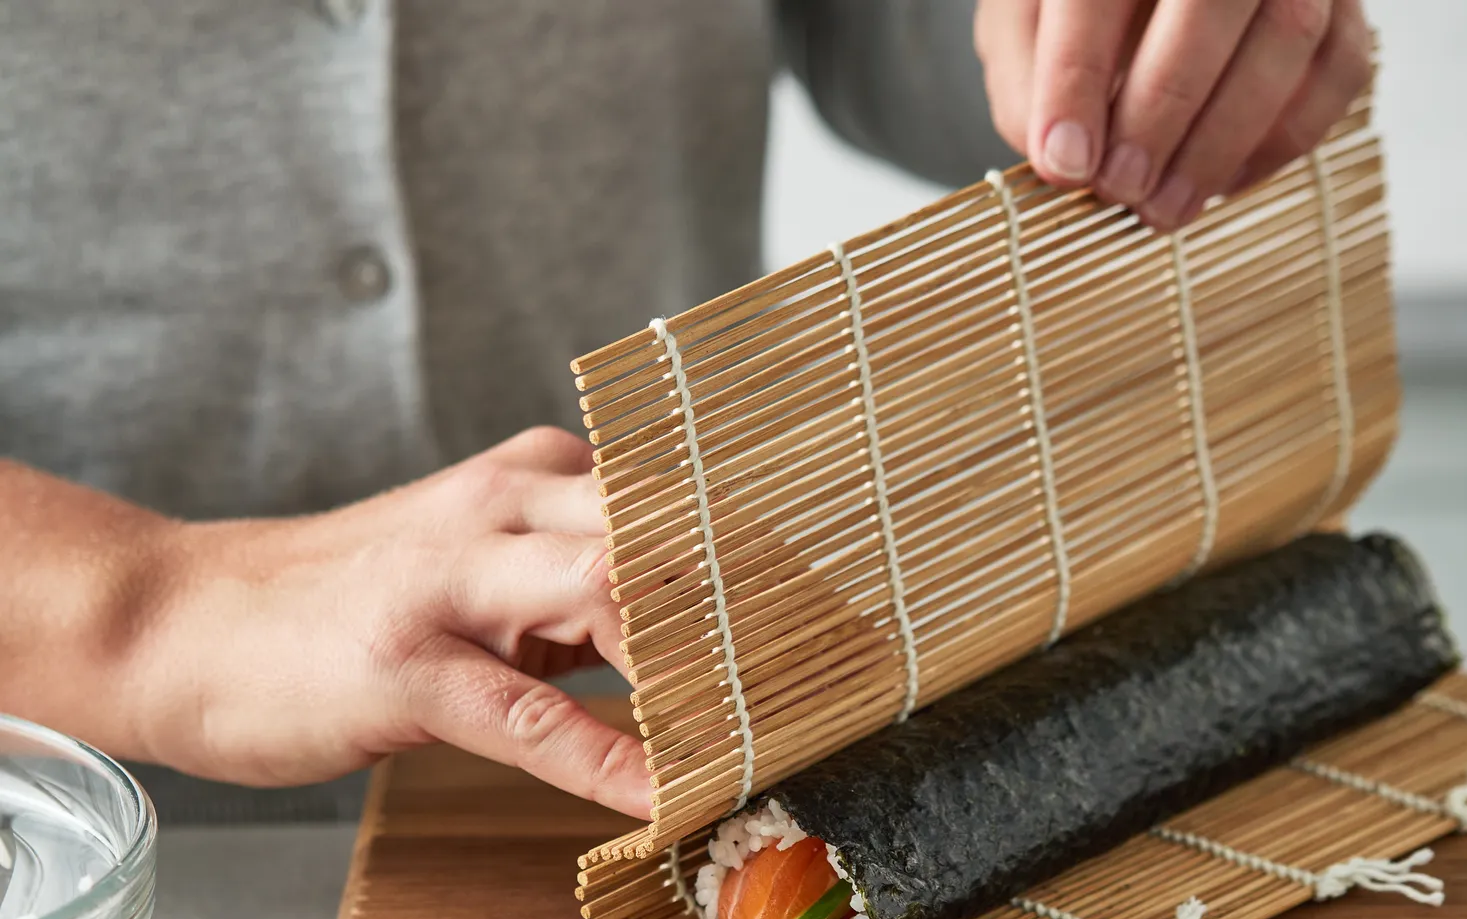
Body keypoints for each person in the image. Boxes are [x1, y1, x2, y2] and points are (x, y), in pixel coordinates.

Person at [0, 0, 1372, 822]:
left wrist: (1136, 56)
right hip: (65, 877)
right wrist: (151, 606)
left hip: (686, 751)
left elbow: (910, 40)